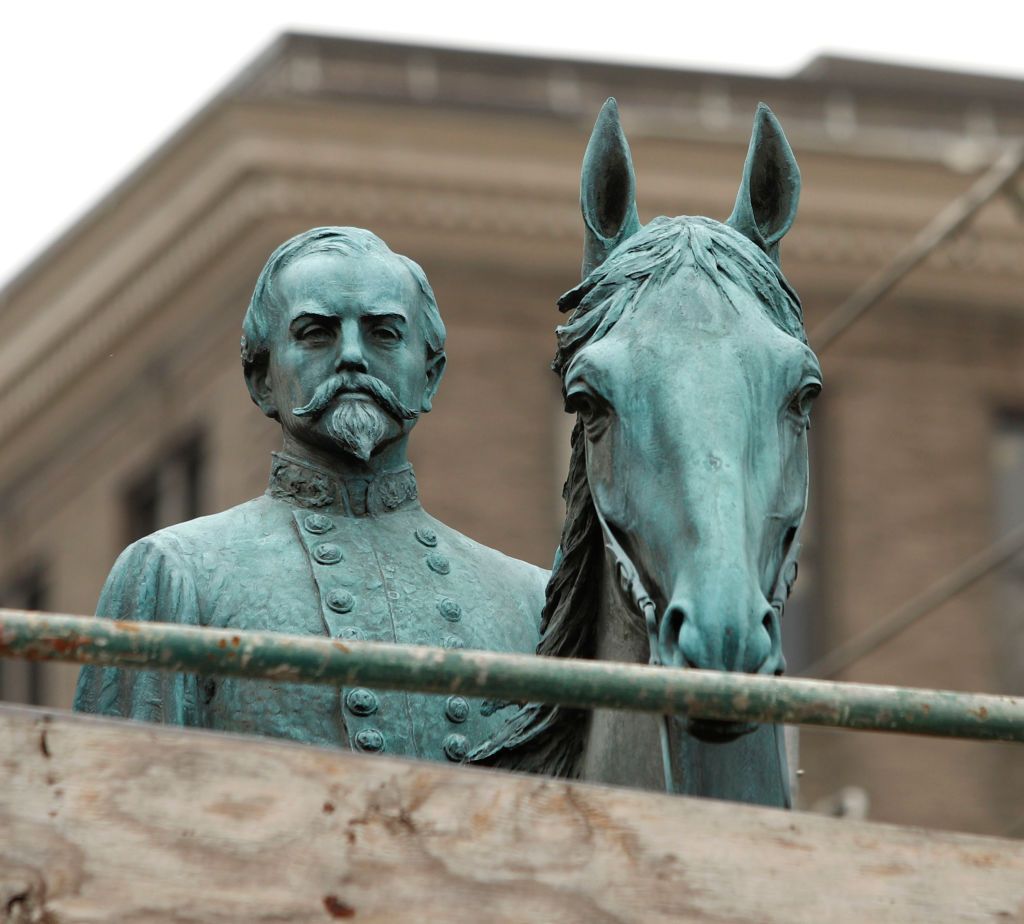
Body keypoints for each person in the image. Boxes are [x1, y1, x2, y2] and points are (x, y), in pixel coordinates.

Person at [74, 227, 547, 763]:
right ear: (261, 380)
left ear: (430, 376)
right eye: (316, 334)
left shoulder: (532, 601)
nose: (351, 356)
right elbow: (121, 808)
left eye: (385, 334)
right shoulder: (176, 572)